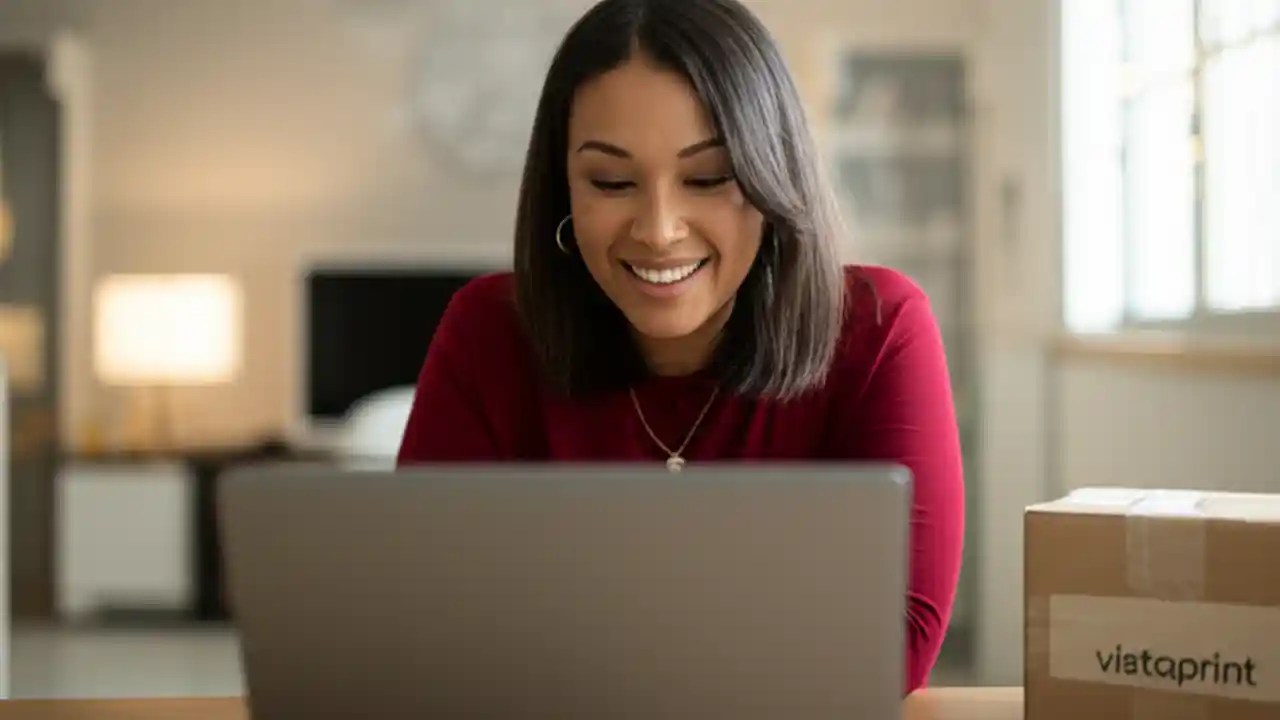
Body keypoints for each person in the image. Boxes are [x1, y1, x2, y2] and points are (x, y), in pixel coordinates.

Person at [397, 0, 964, 695]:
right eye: (611, 181)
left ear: (770, 177)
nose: (660, 230)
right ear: (563, 189)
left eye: (709, 177)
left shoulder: (880, 328)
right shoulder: (487, 330)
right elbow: (429, 626)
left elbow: (893, 642)